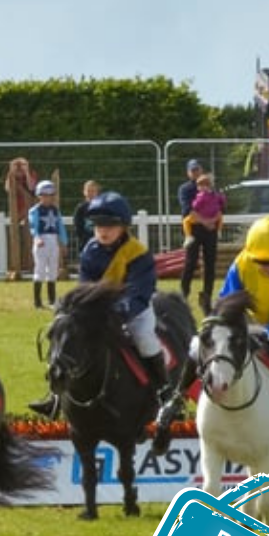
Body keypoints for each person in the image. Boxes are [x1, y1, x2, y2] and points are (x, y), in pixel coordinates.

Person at [28, 191, 173, 453]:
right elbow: (86, 286)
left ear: (123, 227)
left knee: (146, 340)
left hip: (134, 311)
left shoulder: (138, 254)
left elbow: (139, 293)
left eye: (109, 226)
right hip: (99, 312)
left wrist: (117, 312)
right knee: (68, 339)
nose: (103, 231)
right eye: (98, 226)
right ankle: (55, 396)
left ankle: (164, 391)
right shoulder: (90, 251)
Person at [159, 215, 269, 445]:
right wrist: (231, 323)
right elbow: (229, 300)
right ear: (253, 257)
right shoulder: (242, 265)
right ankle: (176, 398)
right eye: (263, 263)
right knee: (195, 346)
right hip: (246, 323)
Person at [179, 173, 226, 315]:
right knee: (191, 262)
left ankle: (206, 298)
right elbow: (189, 210)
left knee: (210, 263)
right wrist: (205, 221)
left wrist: (213, 221)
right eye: (192, 170)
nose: (204, 186)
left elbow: (221, 208)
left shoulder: (215, 193)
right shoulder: (186, 189)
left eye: (197, 169)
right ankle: (183, 296)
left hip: (211, 229)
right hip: (196, 228)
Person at [28, 179, 67, 309]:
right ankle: (37, 301)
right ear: (39, 196)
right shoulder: (35, 210)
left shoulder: (56, 210)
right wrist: (37, 238)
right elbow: (34, 226)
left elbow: (60, 226)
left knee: (53, 269)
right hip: (42, 240)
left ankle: (51, 300)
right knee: (40, 269)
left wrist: (64, 242)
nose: (49, 198)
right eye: (45, 195)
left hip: (53, 239)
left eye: (51, 195)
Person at [71, 179, 101, 264]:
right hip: (85, 241)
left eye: (93, 191)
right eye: (88, 191)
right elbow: (77, 224)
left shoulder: (101, 207)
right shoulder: (81, 208)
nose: (91, 193)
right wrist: (83, 237)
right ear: (84, 192)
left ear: (97, 192)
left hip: (100, 241)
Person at [177, 158, 203, 238]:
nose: (195, 172)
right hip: (192, 224)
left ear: (201, 170)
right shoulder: (184, 188)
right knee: (192, 249)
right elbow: (186, 207)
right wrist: (203, 220)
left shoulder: (211, 187)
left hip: (209, 225)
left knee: (210, 250)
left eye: (197, 169)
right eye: (192, 170)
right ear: (188, 173)